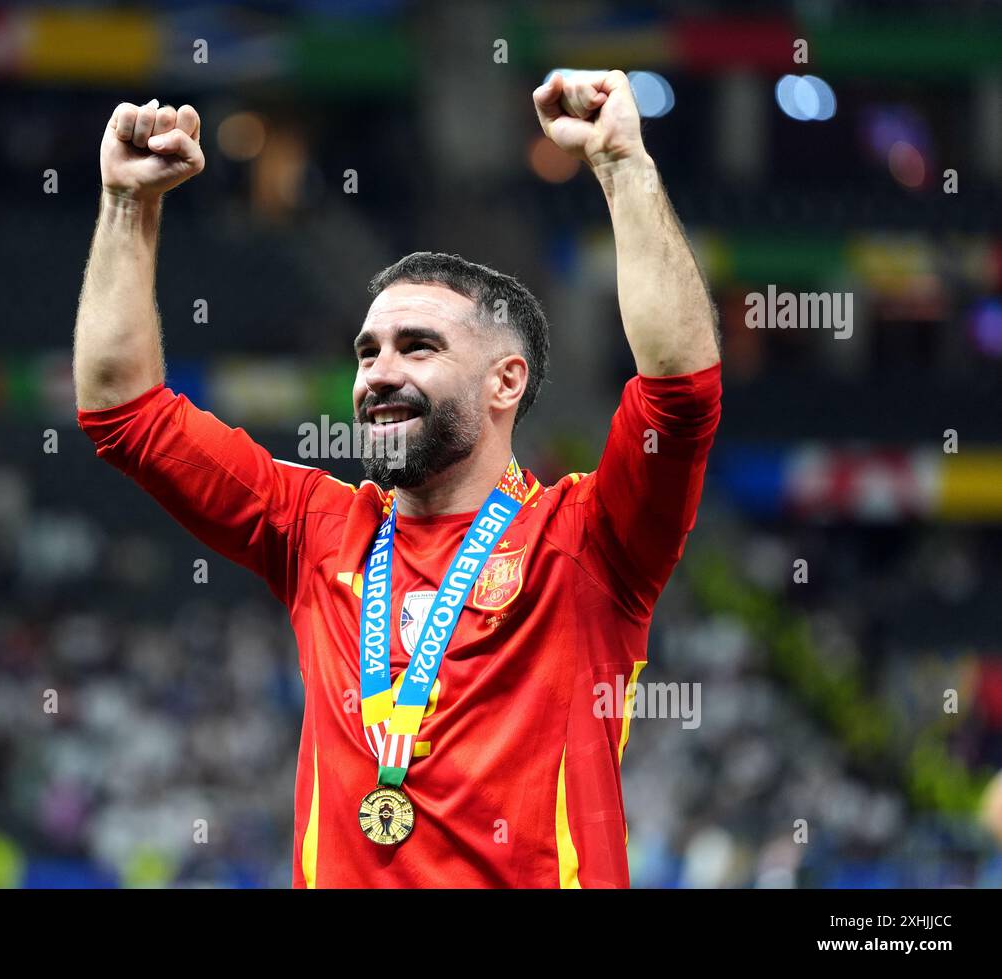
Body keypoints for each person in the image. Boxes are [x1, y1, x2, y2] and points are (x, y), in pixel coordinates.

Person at [72, 70, 721, 887]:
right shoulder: (315, 529)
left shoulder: (591, 541)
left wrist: (624, 165)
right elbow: (121, 412)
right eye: (366, 351)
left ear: (505, 382)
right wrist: (129, 205)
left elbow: (682, 391)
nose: (377, 373)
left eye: (418, 347)